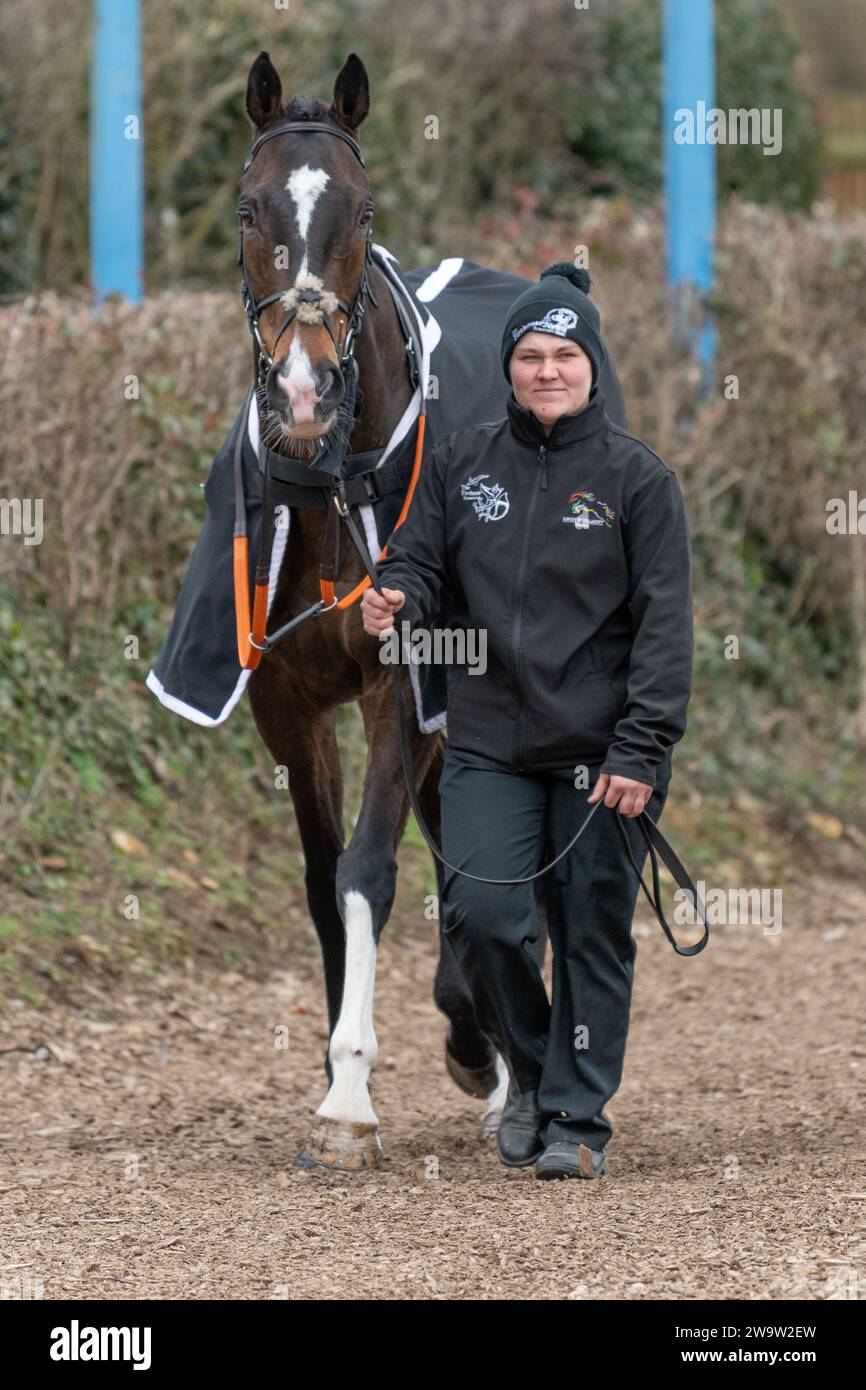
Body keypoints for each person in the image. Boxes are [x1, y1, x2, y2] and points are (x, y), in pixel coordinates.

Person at [361, 263, 694, 1180]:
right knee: (481, 917)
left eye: (565, 355)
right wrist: (395, 592)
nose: (548, 371)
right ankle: (538, 1076)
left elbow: (665, 633)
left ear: (592, 364)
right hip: (488, 744)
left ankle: (576, 1123)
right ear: (508, 365)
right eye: (531, 355)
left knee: (588, 932)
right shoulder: (461, 462)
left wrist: (641, 751)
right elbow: (418, 561)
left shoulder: (639, 481)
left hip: (603, 756)